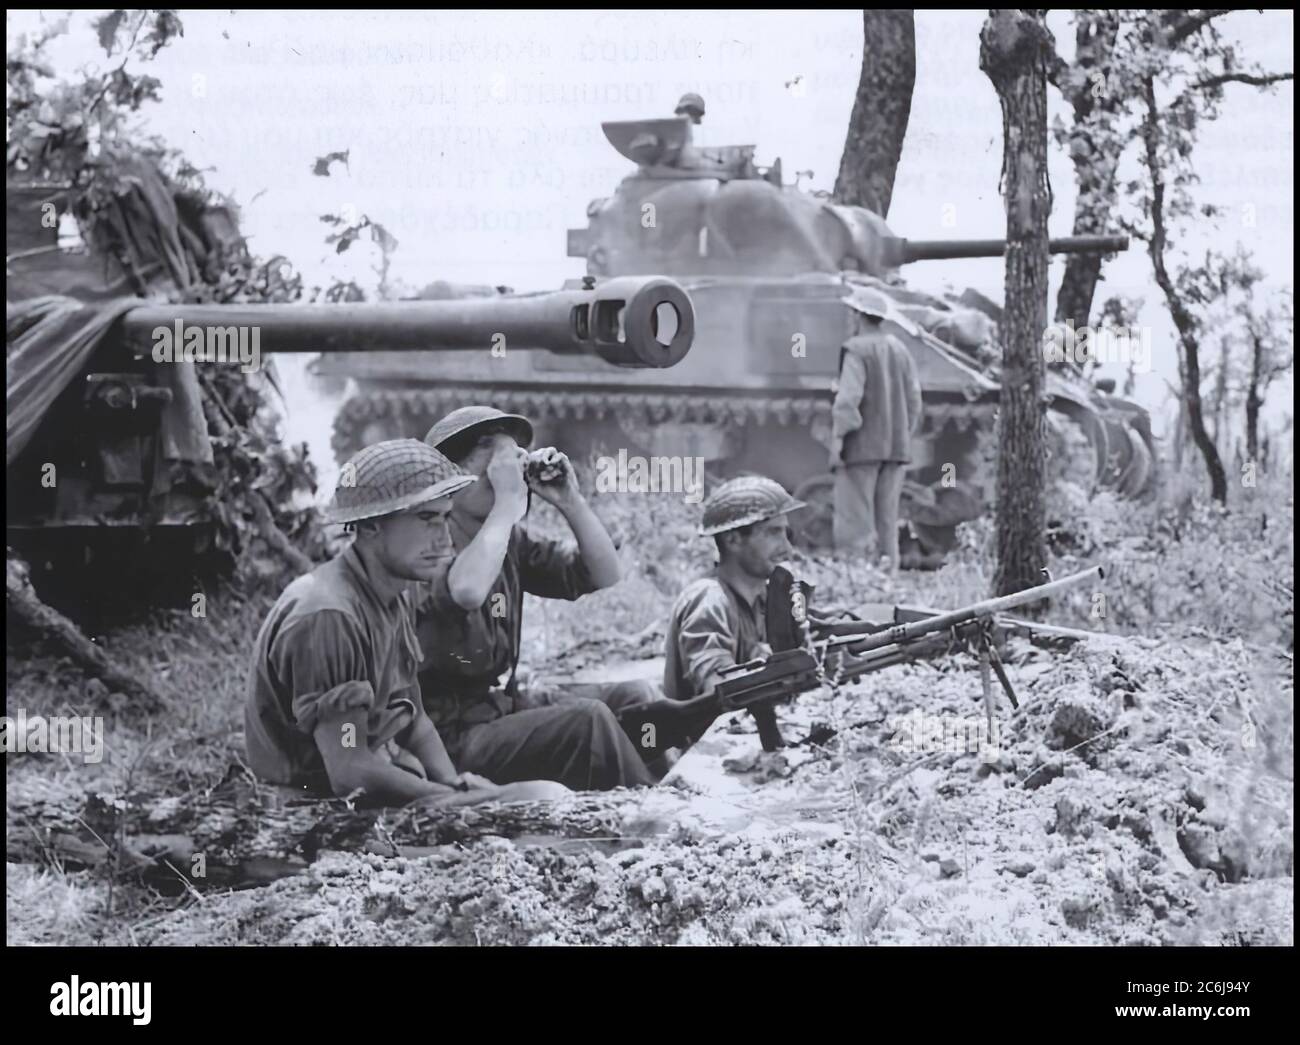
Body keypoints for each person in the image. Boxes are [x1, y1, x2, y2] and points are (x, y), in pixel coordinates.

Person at [244, 438, 568, 809]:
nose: (444, 539)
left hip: (378, 779)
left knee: (543, 796)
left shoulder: (390, 595)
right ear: (369, 527)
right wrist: (447, 799)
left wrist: (455, 783)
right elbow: (347, 767)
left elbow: (413, 718)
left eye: (446, 518)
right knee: (537, 805)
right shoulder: (329, 615)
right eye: (426, 519)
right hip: (314, 807)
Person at [415, 406, 663, 790]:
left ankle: (655, 785)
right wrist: (506, 507)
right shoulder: (430, 541)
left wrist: (569, 501)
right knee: (588, 722)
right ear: (453, 476)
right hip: (445, 737)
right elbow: (465, 590)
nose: (511, 478)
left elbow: (604, 573)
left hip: (497, 708)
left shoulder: (507, 539)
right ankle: (649, 809)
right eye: (494, 470)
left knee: (635, 698)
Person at [663, 476, 805, 752]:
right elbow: (718, 690)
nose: (787, 548)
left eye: (786, 534)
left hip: (735, 745)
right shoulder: (709, 599)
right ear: (733, 539)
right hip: (703, 755)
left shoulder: (766, 600)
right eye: (773, 533)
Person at [828, 293, 924, 569]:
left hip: (860, 449)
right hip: (896, 449)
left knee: (854, 519)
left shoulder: (857, 349)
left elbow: (847, 401)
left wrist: (838, 439)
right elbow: (914, 401)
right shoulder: (900, 349)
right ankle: (888, 577)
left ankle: (859, 577)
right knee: (887, 520)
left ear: (858, 316)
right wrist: (903, 434)